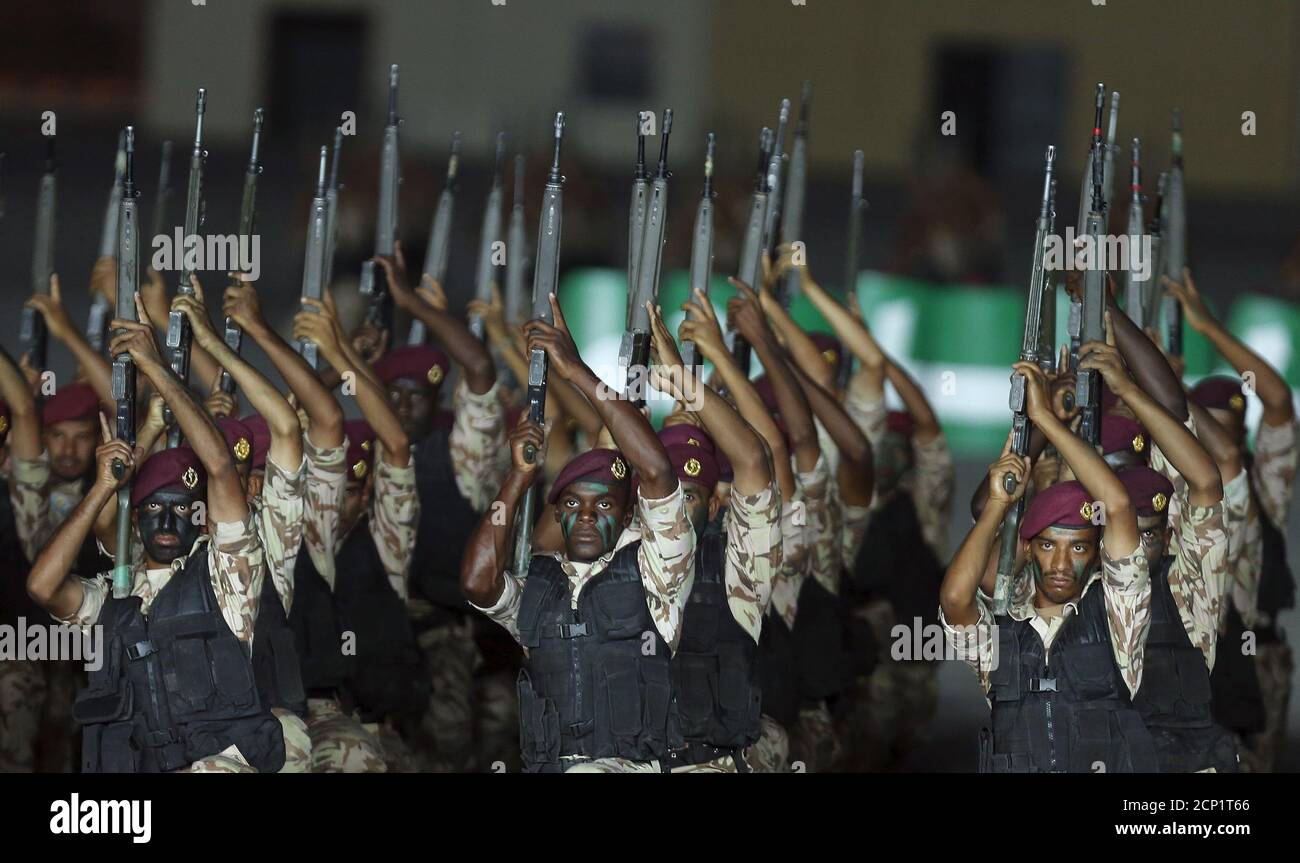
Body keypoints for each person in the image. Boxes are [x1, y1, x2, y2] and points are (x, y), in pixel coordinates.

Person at [26, 296, 282, 773]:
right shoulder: (117, 595)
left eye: (184, 509)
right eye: (155, 511)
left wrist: (156, 366)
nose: (167, 523)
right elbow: (43, 586)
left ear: (203, 517)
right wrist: (105, 485)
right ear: (137, 518)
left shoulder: (226, 576)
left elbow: (222, 467)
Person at [461, 293, 695, 773]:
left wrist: (575, 372)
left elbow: (655, 471)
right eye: (572, 503)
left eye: (603, 504)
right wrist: (519, 478)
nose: (585, 516)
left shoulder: (657, 569)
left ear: (627, 510)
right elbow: (478, 583)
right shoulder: (542, 585)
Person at [940, 358, 1157, 773]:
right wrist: (999, 505)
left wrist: (1043, 417)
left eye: (1078, 548)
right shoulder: (1003, 636)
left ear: (1096, 554)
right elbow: (955, 598)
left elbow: (1119, 505)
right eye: (1047, 545)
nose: (1060, 563)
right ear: (1028, 548)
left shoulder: (1117, 616)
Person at [368, 248, 507, 772]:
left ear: (436, 401)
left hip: (448, 623)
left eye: (415, 397)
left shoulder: (460, 455)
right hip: (378, 623)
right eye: (392, 394)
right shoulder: (365, 451)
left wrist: (412, 304)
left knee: (449, 735)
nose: (402, 406)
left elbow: (478, 366)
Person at [169, 276, 312, 772]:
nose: (246, 487)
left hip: (262, 741)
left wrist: (211, 342)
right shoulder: (170, 544)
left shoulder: (273, 538)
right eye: (227, 475)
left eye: (252, 475)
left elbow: (288, 427)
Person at [1166, 269, 1297, 772]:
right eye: (1209, 428)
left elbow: (1280, 402)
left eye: (1232, 431)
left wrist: (1208, 328)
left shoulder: (1262, 482)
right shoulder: (1175, 474)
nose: (1224, 441)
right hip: (1185, 656)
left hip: (1252, 657)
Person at [647, 303, 781, 773]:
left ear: (716, 504)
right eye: (663, 495)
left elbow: (757, 459)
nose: (673, 510)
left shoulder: (740, 568)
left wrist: (688, 381)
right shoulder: (618, 551)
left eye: (689, 498)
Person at [295, 296, 425, 772]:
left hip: (371, 726)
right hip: (302, 714)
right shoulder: (296, 532)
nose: (341, 502)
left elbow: (395, 443)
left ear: (367, 488)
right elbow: (284, 420)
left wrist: (343, 356)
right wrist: (338, 361)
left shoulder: (384, 540)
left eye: (352, 491)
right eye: (333, 488)